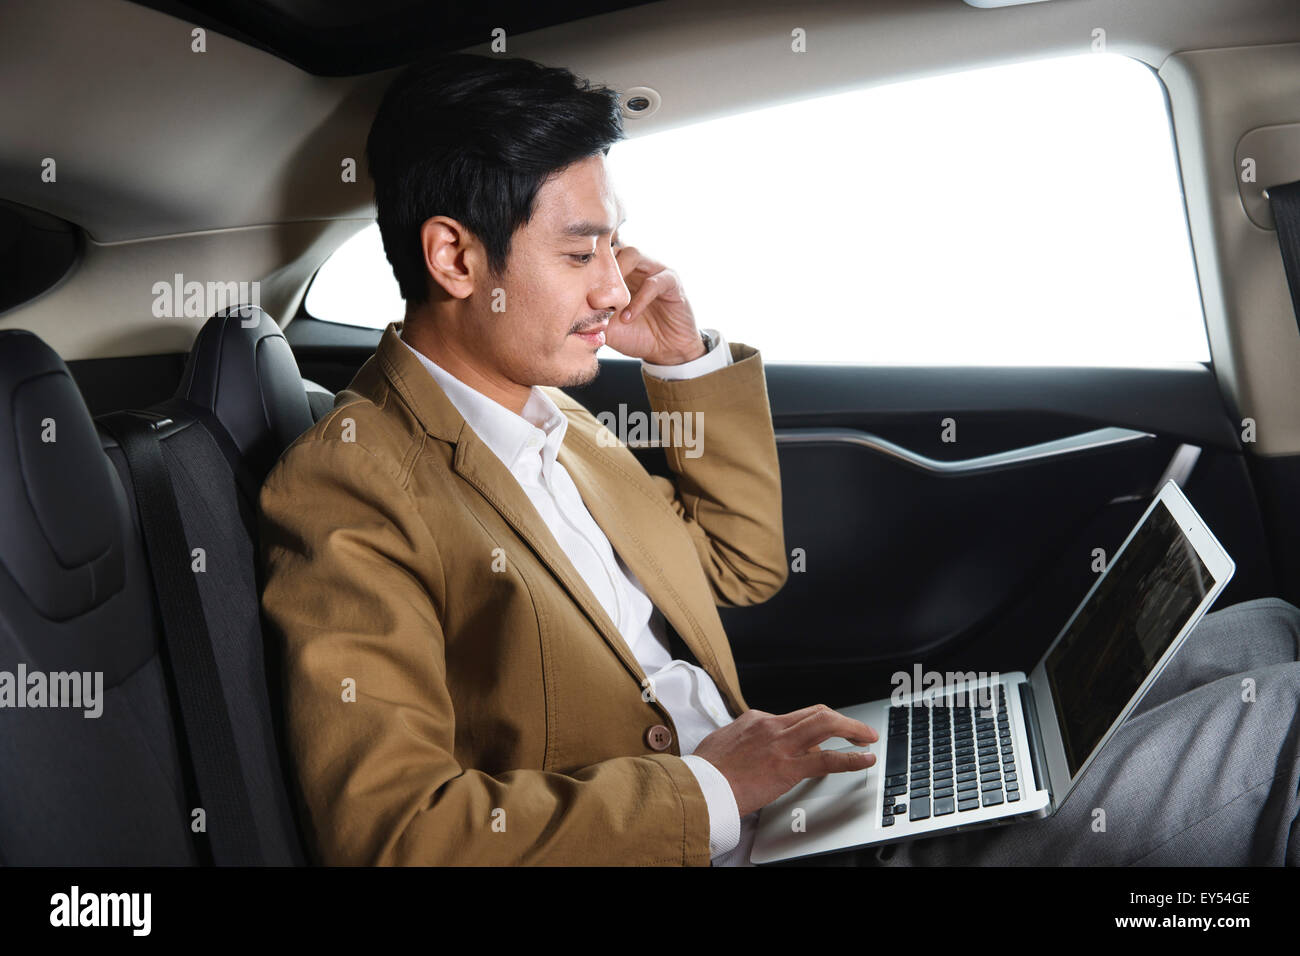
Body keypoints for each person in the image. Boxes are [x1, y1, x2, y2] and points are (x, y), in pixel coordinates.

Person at [258, 51, 1300, 867]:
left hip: (797, 808)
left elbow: (740, 568)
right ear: (454, 256)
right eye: (579, 252)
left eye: (611, 249)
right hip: (725, 840)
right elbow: (394, 834)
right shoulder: (351, 485)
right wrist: (717, 787)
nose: (615, 289)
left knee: (1262, 633)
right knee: (1284, 719)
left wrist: (688, 363)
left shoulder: (549, 420)